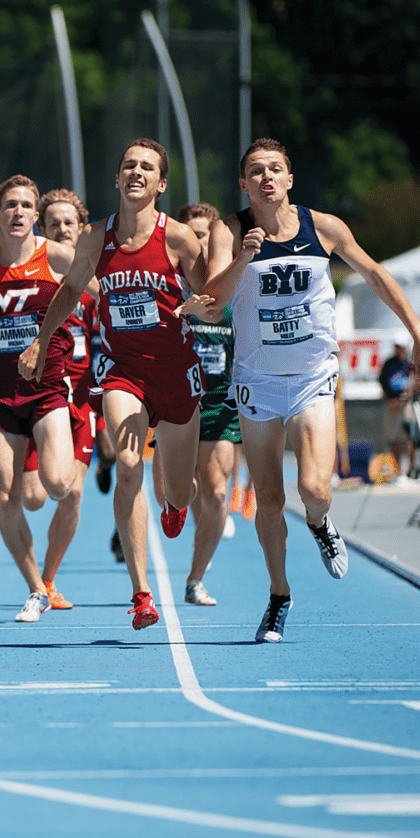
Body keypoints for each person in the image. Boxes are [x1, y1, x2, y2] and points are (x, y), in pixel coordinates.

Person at [210, 138, 420, 642]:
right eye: (255, 171)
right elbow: (212, 300)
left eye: (276, 169)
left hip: (312, 377)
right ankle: (278, 595)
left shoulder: (324, 227)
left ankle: (318, 522)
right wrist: (243, 259)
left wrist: (418, 332)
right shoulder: (230, 231)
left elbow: (375, 275)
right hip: (257, 381)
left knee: (314, 488)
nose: (267, 177)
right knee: (267, 499)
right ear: (244, 184)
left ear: (290, 180)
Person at [20, 140, 218, 631]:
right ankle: (141, 594)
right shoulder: (93, 238)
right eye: (128, 164)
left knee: (177, 490)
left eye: (147, 167)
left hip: (176, 372)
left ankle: (175, 502)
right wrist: (41, 342)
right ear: (117, 178)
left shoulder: (178, 240)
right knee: (128, 463)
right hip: (123, 370)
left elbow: (213, 296)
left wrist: (202, 305)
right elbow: (69, 292)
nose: (136, 172)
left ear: (161, 183)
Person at [0, 176, 77, 622]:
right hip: (1, 393)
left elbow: (99, 292)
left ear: (35, 216)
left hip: (46, 386)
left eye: (26, 206)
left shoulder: (58, 255)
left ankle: (48, 460)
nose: (19, 212)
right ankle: (36, 589)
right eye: (11, 205)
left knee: (58, 484)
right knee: (7, 496)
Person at [12, 187, 99, 610]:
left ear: (82, 229)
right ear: (41, 229)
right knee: (33, 497)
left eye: (69, 223)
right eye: (53, 223)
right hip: (38, 393)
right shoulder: (33, 271)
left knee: (73, 493)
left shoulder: (94, 279)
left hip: (80, 399)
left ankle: (47, 580)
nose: (62, 229)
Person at [179, 203, 240, 607]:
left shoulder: (237, 290)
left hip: (220, 404)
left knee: (217, 494)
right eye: (192, 235)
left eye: (206, 235)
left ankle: (195, 579)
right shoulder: (167, 284)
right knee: (183, 494)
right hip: (176, 405)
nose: (200, 243)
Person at [378, 331, 415, 485]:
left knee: (409, 438)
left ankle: (412, 471)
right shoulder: (389, 364)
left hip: (407, 405)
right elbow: (383, 382)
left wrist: (407, 396)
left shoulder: (410, 364)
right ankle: (398, 471)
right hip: (392, 405)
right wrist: (390, 399)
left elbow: (418, 383)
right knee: (393, 438)